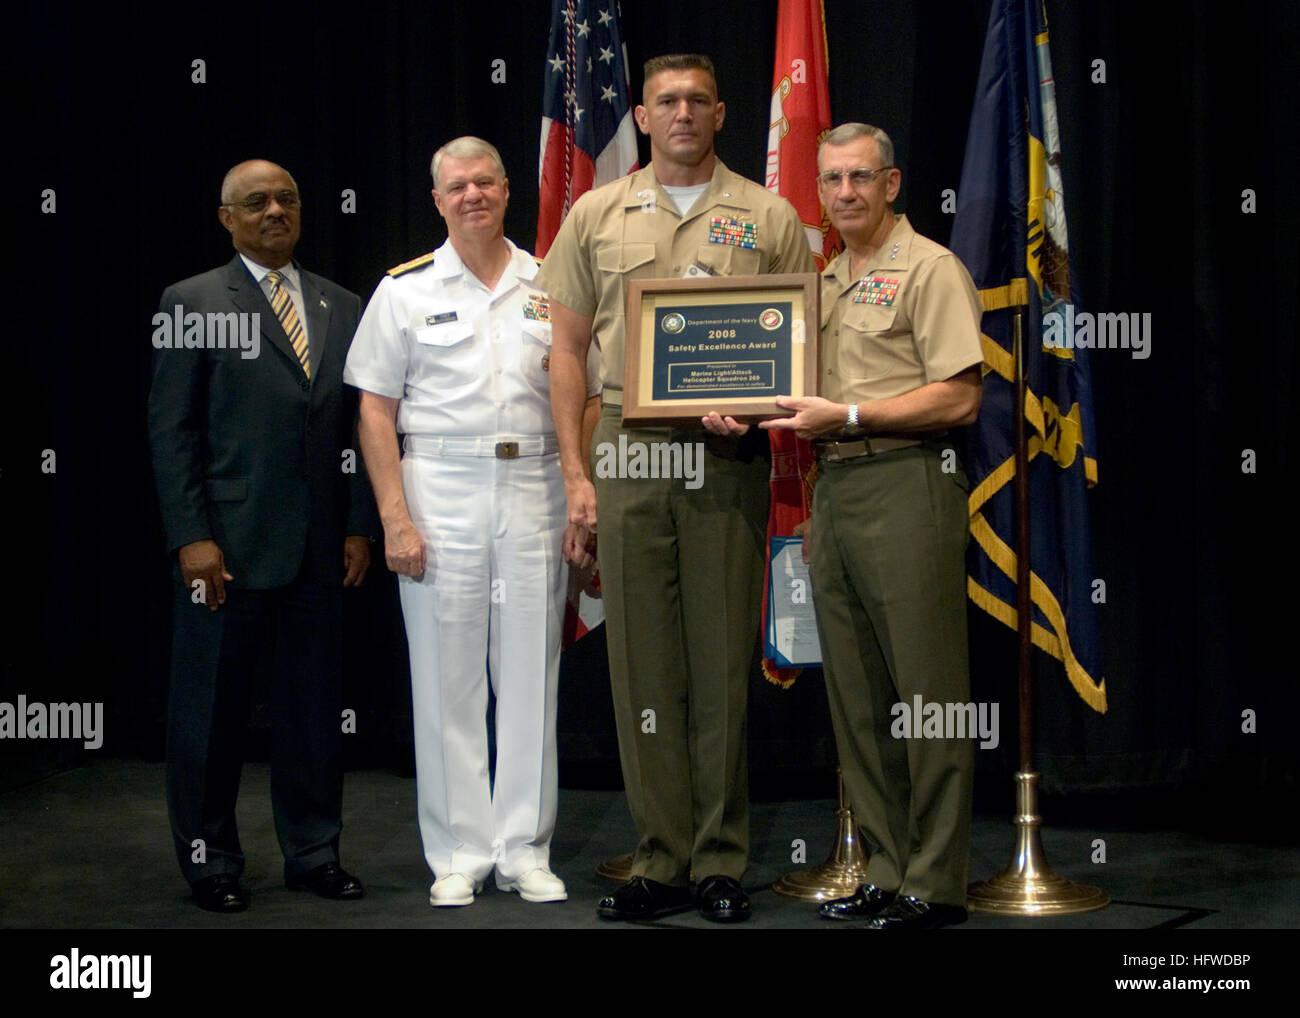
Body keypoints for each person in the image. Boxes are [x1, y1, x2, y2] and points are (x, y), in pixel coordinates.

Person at [537, 54, 815, 923]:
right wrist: (576, 475)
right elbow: (568, 352)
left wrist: (757, 406)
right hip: (624, 442)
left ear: (722, 112)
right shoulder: (595, 211)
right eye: (667, 101)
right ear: (645, 118)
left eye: (698, 98)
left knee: (721, 657)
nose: (683, 112)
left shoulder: (768, 215)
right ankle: (659, 857)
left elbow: (794, 346)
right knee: (643, 665)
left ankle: (721, 861)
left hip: (723, 453)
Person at [345, 137, 596, 908]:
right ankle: (458, 852)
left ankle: (525, 848)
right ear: (437, 199)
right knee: (446, 678)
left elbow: (584, 389)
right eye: (456, 185)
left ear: (508, 189)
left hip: (533, 480)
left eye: (485, 181)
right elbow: (375, 412)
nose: (472, 194)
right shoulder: (404, 290)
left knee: (529, 674)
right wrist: (394, 517)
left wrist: (579, 484)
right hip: (440, 485)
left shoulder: (552, 280)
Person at [761, 123, 984, 930]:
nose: (844, 193)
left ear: (892, 185)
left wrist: (850, 412)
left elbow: (960, 396)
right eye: (831, 181)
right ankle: (886, 870)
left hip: (907, 480)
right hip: (837, 494)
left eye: (860, 178)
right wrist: (727, 406)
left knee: (929, 697)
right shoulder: (822, 282)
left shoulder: (930, 269)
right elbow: (788, 391)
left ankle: (937, 881)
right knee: (857, 699)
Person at [148, 159, 376, 912]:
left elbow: (365, 428)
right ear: (226, 217)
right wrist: (191, 538)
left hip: (319, 549)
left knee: (313, 713)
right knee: (210, 714)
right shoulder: (193, 301)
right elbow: (171, 432)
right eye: (256, 202)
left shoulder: (342, 304)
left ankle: (313, 854)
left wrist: (357, 526)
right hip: (226, 550)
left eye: (287, 198)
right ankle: (210, 860)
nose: (275, 210)